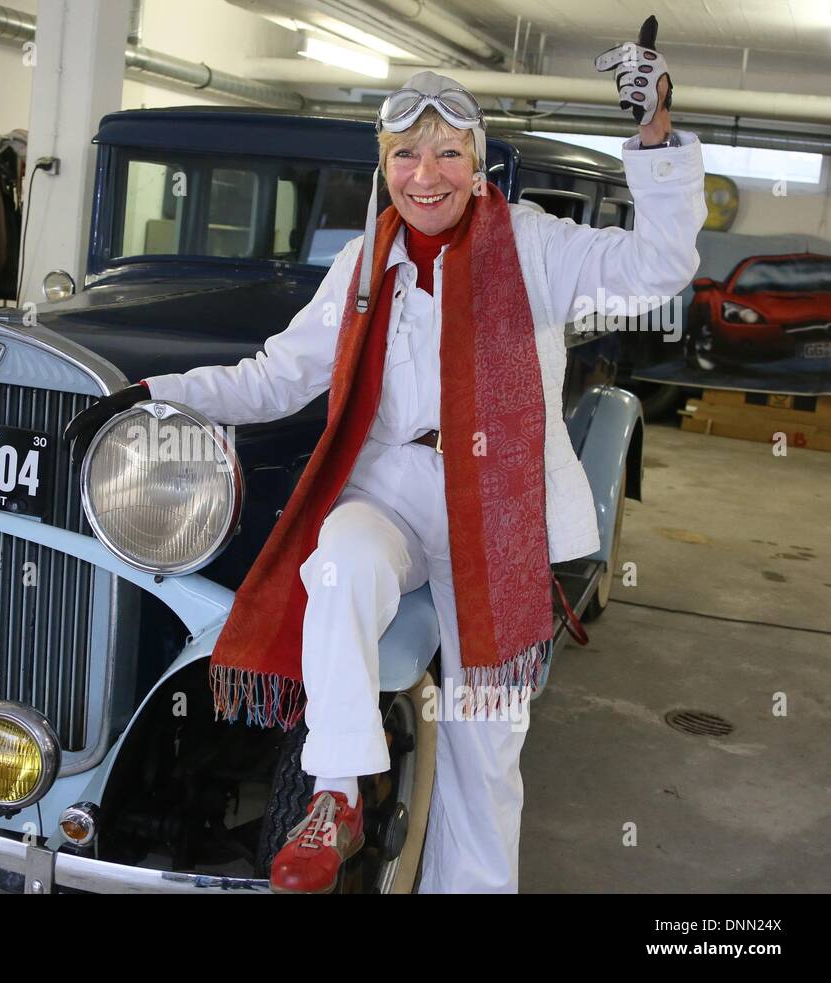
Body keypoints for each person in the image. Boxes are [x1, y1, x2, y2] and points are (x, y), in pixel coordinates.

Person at [67, 24, 705, 894]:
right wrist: (154, 392)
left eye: (447, 152)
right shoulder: (367, 261)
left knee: (485, 752)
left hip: (500, 505)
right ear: (386, 164)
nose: (427, 173)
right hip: (395, 488)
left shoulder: (533, 245)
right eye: (408, 153)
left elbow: (659, 268)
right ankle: (335, 794)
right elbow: (275, 376)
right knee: (337, 568)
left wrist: (656, 143)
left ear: (474, 163)